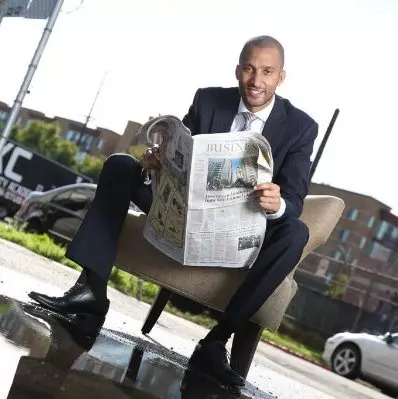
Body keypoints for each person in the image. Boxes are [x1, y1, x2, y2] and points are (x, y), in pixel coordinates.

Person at [29, 35, 318, 389]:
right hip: (181, 212)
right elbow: (182, 152)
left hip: (242, 229)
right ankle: (91, 291)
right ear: (238, 70)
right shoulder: (209, 99)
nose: (256, 81)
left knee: (296, 232)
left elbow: (296, 199)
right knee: (122, 164)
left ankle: (214, 344)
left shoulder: (301, 127)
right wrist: (157, 163)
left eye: (267, 72)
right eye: (249, 69)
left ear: (281, 77)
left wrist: (278, 203)